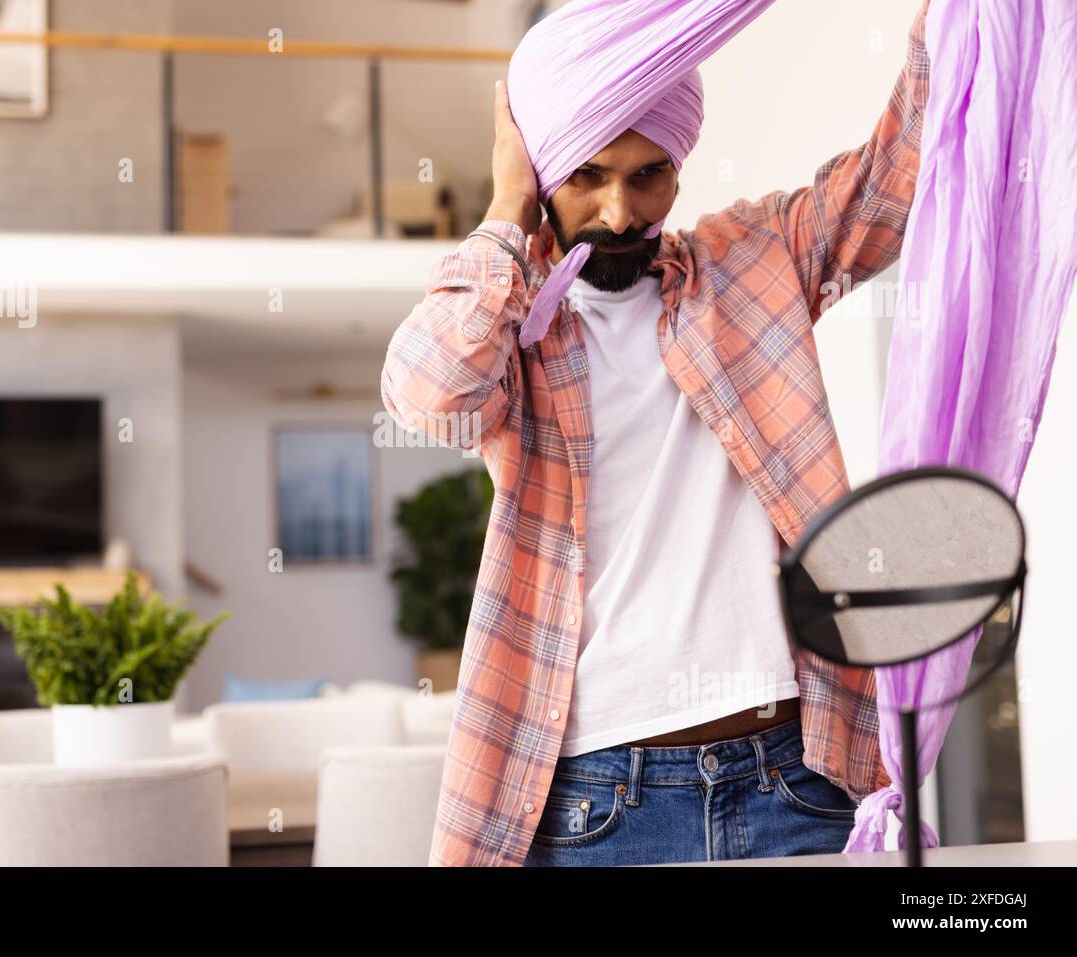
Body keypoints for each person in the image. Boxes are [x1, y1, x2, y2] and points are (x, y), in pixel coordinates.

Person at [380, 1, 929, 866]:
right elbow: (428, 394)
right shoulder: (515, 327)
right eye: (586, 173)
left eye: (650, 175)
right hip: (600, 805)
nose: (617, 209)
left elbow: (897, 179)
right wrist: (505, 208)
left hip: (796, 778)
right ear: (544, 168)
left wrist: (952, 23)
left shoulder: (753, 260)